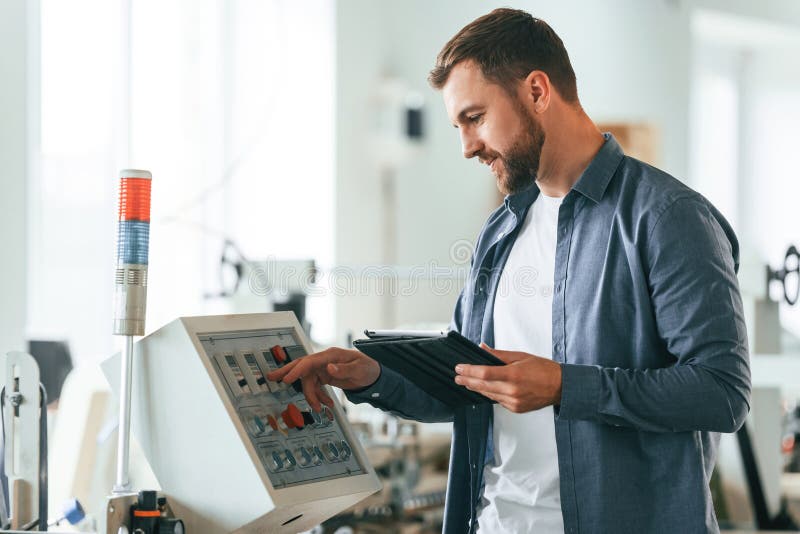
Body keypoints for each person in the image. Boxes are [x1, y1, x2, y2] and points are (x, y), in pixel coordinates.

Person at [268, 8, 750, 534]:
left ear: (537, 91)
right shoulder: (500, 232)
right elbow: (468, 391)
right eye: (458, 126)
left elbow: (722, 392)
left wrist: (566, 386)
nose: (467, 146)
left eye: (474, 118)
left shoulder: (666, 217)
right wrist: (372, 376)